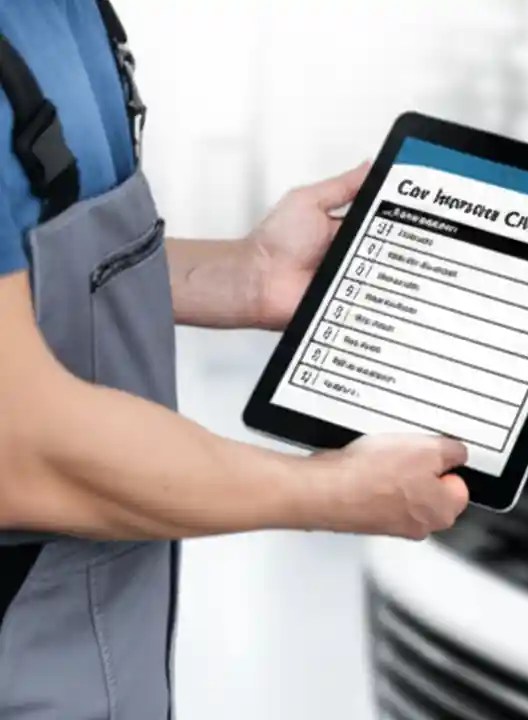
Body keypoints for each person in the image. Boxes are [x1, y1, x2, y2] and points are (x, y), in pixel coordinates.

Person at [0, 2, 470, 717]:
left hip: (103, 659)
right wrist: (327, 492)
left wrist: (241, 276)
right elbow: (16, 450)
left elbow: (35, 275)